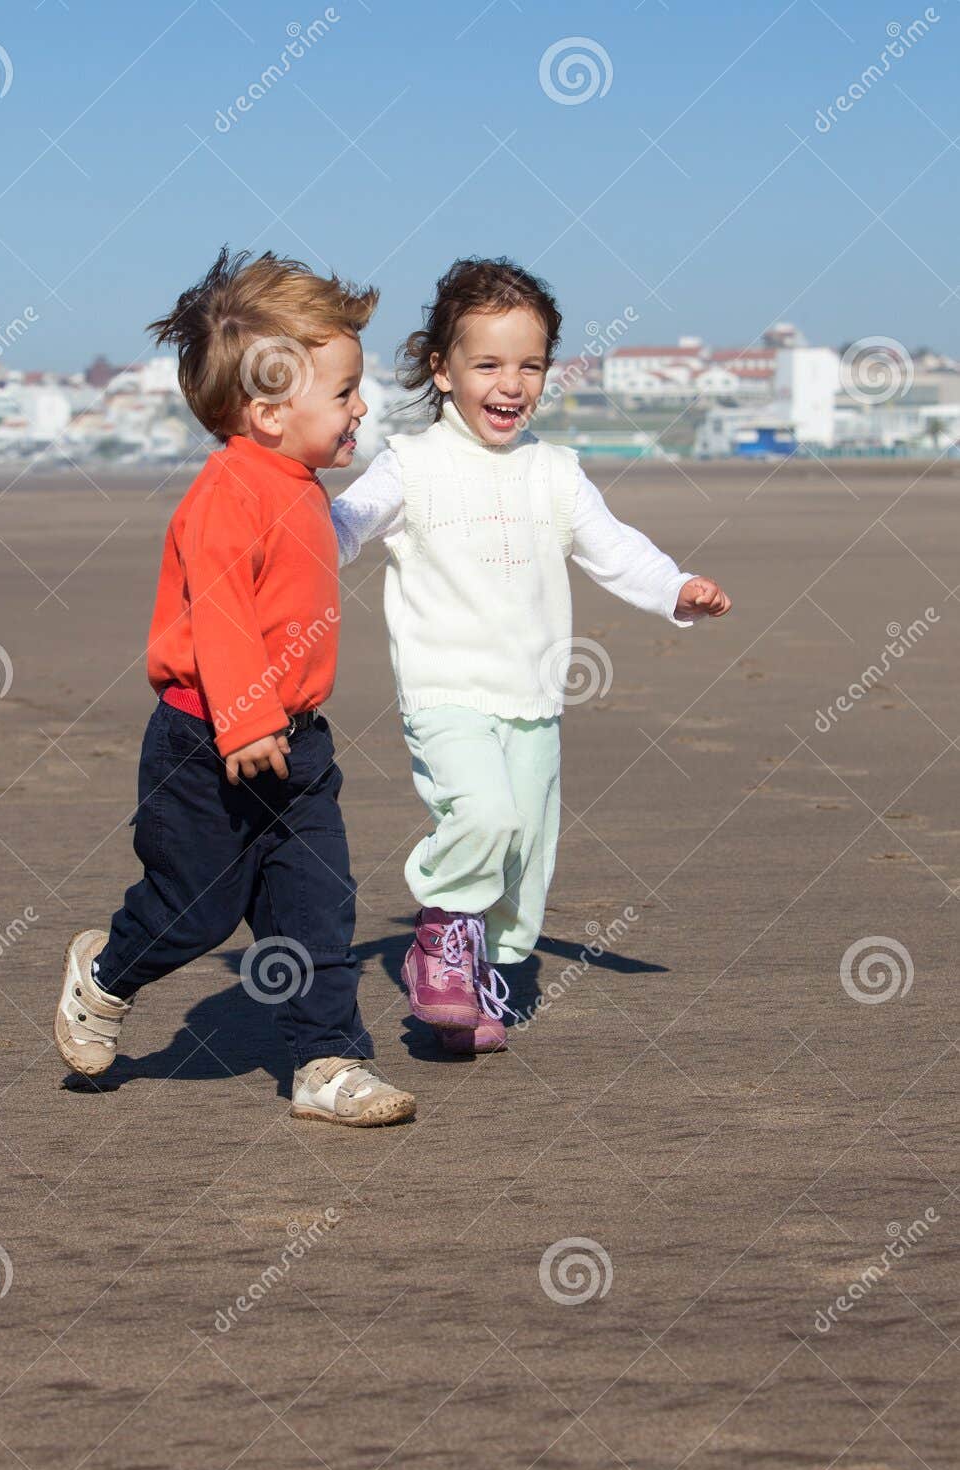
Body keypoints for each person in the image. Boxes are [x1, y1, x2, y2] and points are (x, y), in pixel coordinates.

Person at [331, 257, 731, 1055]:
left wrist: (674, 587)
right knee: (483, 816)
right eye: (486, 364)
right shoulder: (413, 464)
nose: (509, 383)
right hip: (445, 690)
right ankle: (438, 936)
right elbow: (349, 521)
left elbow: (614, 549)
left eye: (529, 365)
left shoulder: (555, 473)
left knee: (524, 857)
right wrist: (298, 540)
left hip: (533, 695)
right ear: (441, 370)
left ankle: (474, 976)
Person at [54, 247, 415, 1126]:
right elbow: (218, 618)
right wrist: (244, 718)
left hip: (296, 746)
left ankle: (327, 1063)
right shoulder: (228, 491)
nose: (360, 405)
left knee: (317, 910)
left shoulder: (298, 485)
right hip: (202, 745)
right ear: (264, 412)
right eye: (342, 393)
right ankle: (104, 975)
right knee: (194, 912)